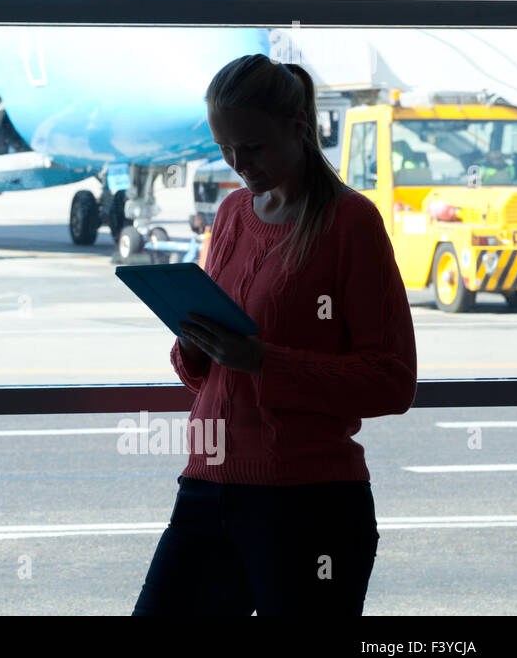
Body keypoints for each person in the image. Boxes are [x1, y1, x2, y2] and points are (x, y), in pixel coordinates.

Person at [131, 53, 417, 616]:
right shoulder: (235, 212)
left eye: (253, 148)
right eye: (224, 149)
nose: (239, 164)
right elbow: (205, 377)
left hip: (308, 504)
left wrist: (260, 359)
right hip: (207, 486)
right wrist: (195, 343)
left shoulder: (349, 222)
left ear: (298, 127)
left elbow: (392, 382)